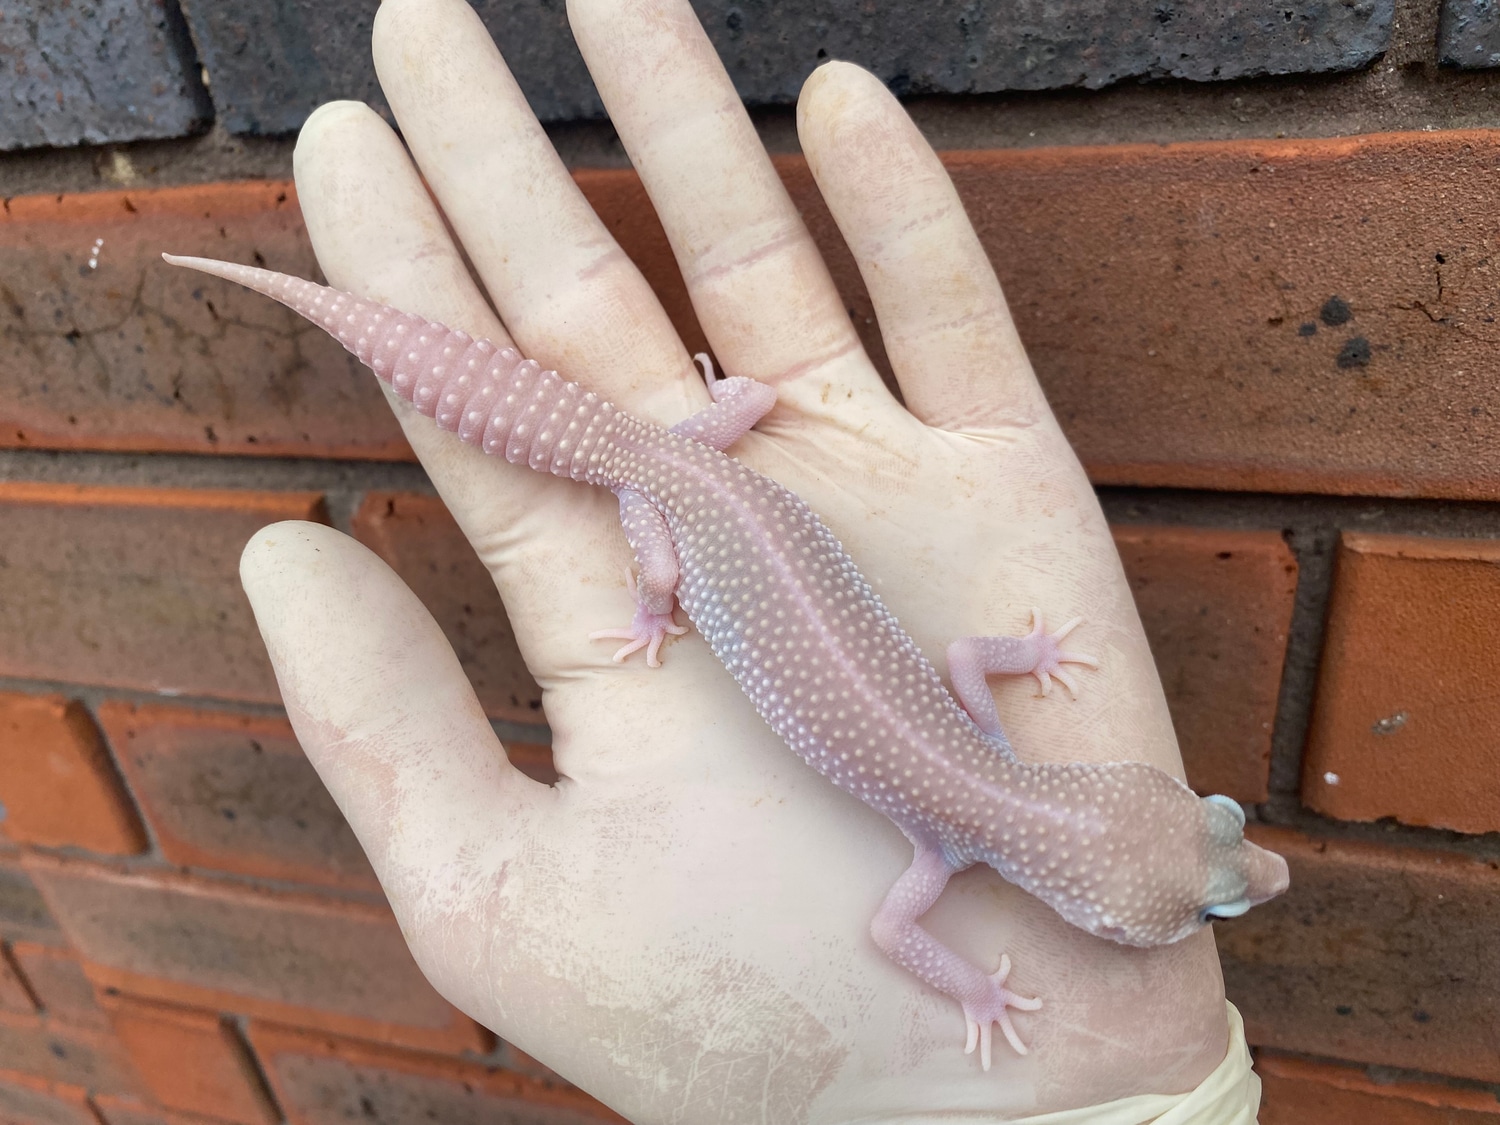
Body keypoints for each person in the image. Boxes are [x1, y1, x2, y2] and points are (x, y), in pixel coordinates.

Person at [242, 0, 1261, 1118]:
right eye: (1220, 855)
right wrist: (978, 997)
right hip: (660, 483)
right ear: (1090, 904)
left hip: (701, 450)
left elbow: (973, 658)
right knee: (665, 582)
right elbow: (891, 927)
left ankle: (717, 421)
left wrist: (1031, 648)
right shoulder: (946, 843)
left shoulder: (982, 749)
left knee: (706, 484)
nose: (1262, 875)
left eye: (1212, 875)